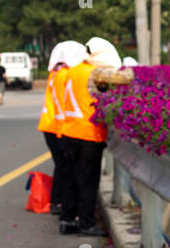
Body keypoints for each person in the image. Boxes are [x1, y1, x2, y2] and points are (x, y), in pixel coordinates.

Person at [53, 37, 117, 236]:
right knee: (87, 180)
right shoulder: (96, 74)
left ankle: (67, 220)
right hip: (89, 134)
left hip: (69, 131)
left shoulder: (72, 71)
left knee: (71, 178)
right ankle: (87, 223)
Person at [39, 41, 86, 216]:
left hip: (51, 125)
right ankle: (58, 202)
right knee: (64, 165)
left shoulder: (55, 73)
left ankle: (57, 201)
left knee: (62, 165)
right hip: (56, 126)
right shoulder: (63, 75)